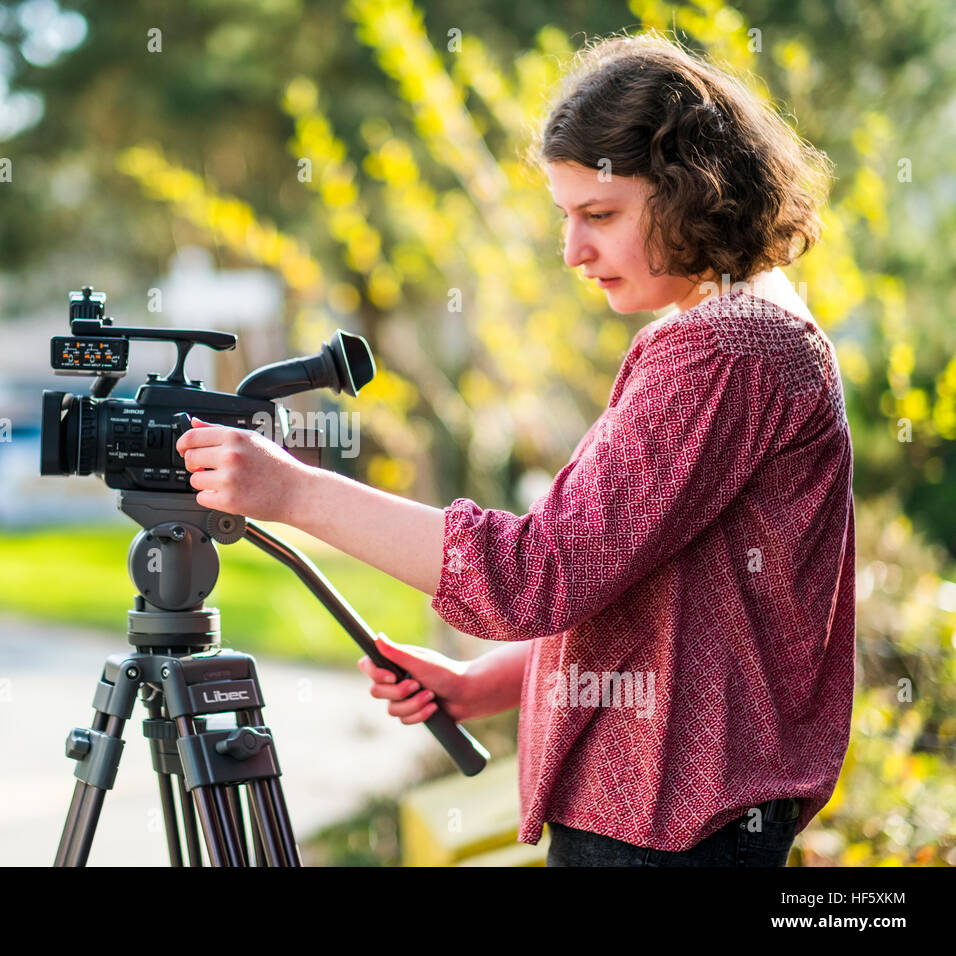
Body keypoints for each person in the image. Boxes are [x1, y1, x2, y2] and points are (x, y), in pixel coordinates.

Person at [173, 32, 853, 867]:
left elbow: (538, 573)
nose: (573, 252)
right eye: (566, 218)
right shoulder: (740, 332)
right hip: (671, 821)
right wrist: (485, 683)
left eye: (599, 216)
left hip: (669, 832)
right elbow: (647, 588)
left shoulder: (726, 352)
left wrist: (291, 493)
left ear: (690, 194)